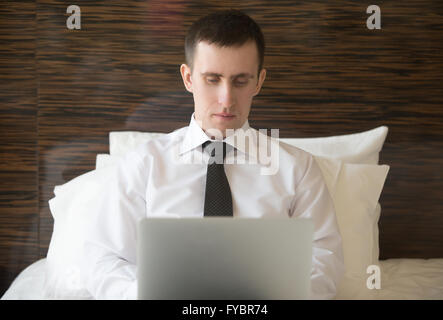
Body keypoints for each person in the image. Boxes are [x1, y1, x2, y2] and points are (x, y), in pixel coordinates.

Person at [81, 9, 345, 300]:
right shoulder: (143, 165)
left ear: (259, 81)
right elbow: (104, 261)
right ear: (188, 78)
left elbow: (325, 259)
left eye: (240, 81)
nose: (226, 99)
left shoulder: (298, 168)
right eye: (212, 79)